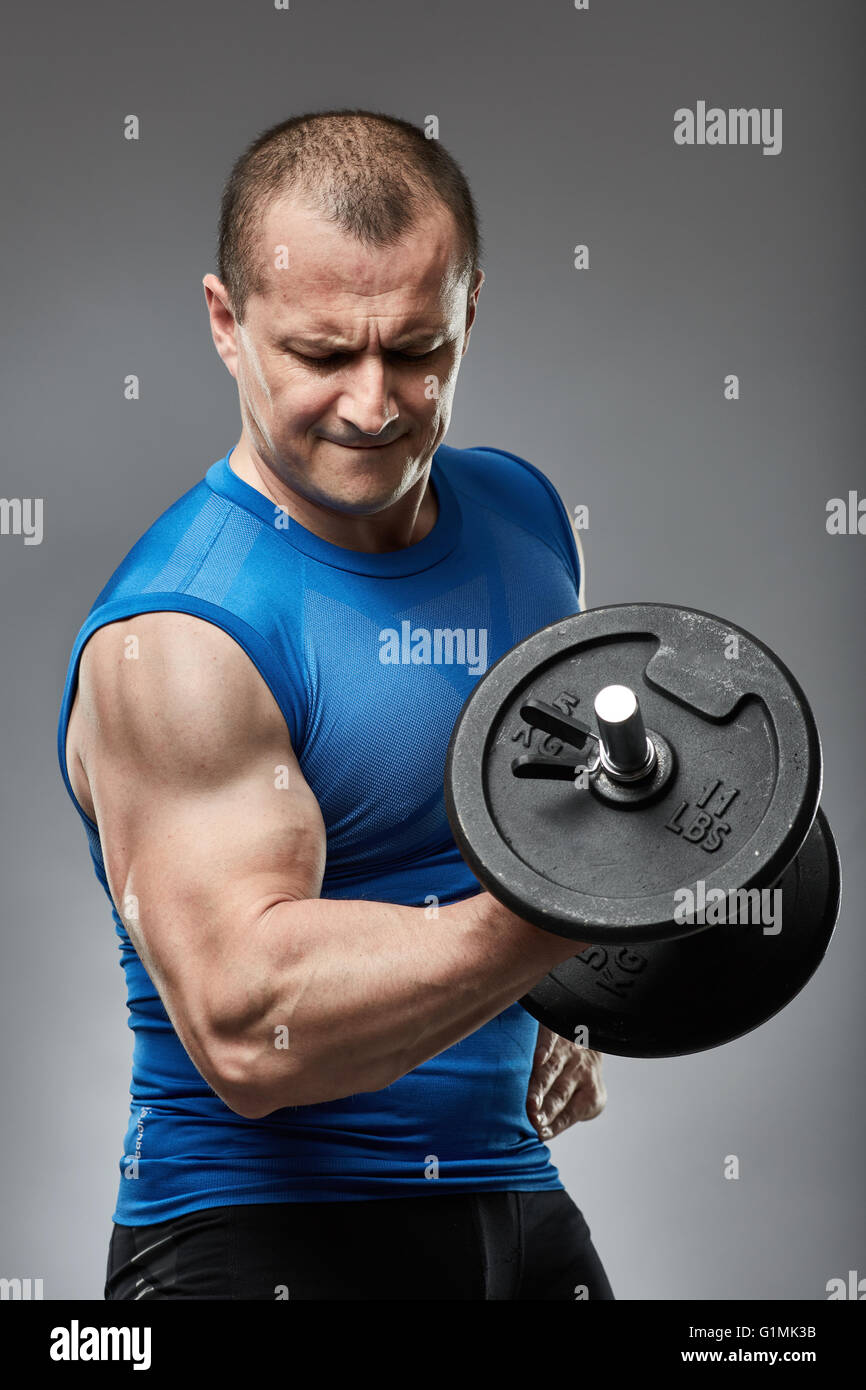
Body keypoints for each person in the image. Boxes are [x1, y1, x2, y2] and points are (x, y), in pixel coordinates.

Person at [58, 108, 612, 1301]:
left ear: (470, 308)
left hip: (512, 1200)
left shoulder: (519, 512)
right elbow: (250, 1027)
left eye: (418, 348)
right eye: (321, 355)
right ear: (226, 323)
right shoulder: (183, 634)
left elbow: (537, 819)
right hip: (259, 1236)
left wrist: (570, 1002)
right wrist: (566, 920)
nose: (375, 405)